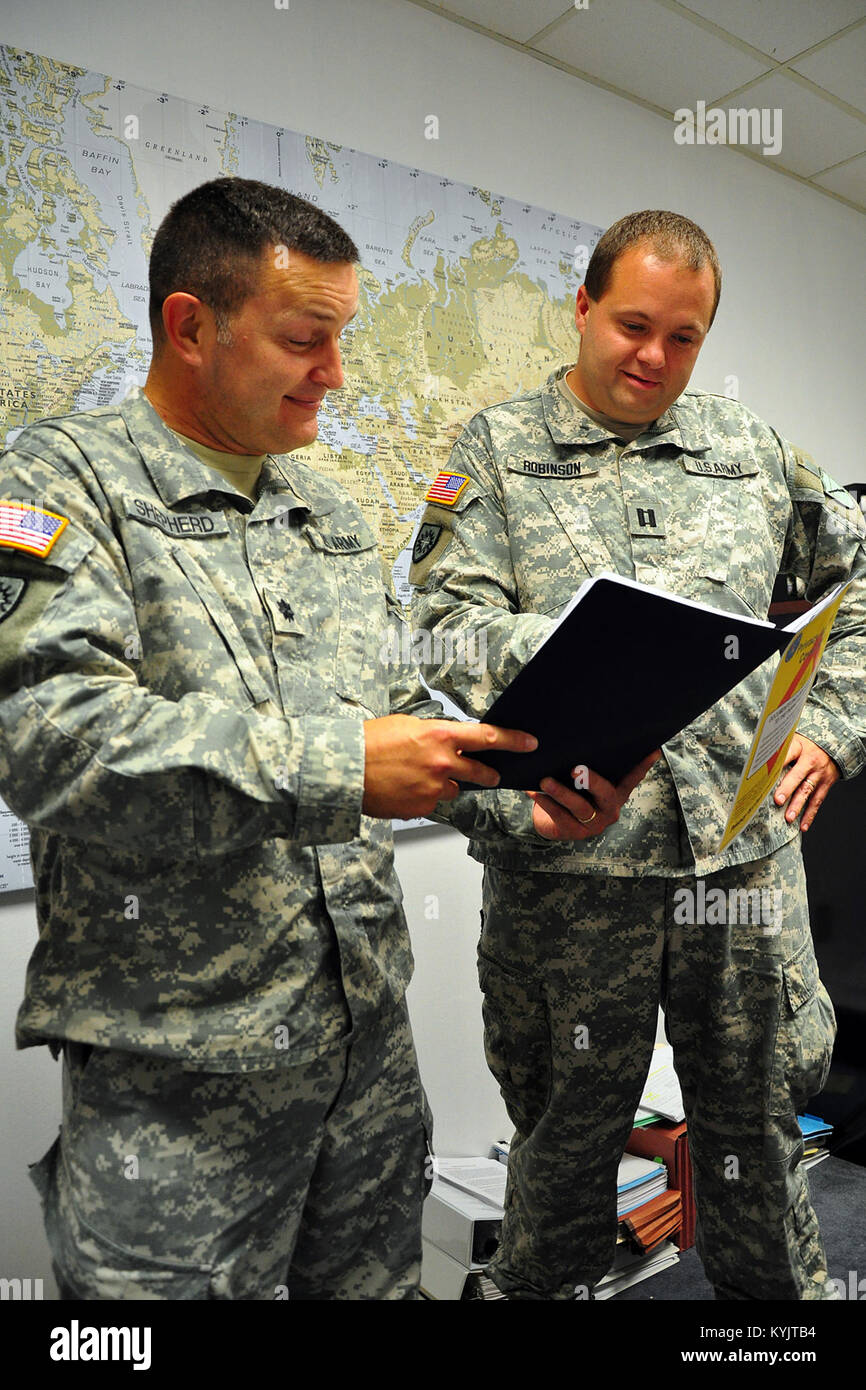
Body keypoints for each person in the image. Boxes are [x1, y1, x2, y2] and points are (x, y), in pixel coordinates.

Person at [0, 175, 556, 1301]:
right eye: (307, 340)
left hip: (365, 1056)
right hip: (178, 1079)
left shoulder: (332, 516)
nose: (336, 376)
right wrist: (343, 767)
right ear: (189, 325)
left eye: (341, 340)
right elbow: (48, 735)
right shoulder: (59, 480)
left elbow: (404, 726)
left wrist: (523, 795)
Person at [409, 209, 866, 1301]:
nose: (652, 357)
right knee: (563, 1157)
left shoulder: (749, 452)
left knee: (758, 1145)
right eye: (629, 325)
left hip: (740, 872)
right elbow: (440, 634)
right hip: (570, 881)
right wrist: (581, 649)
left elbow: (854, 600)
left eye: (683, 335)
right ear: (580, 306)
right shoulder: (496, 452)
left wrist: (830, 733)